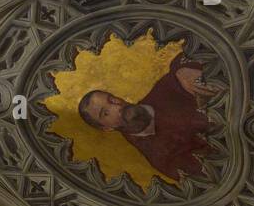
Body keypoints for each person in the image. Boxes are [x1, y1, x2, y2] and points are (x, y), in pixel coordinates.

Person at [77, 53, 218, 180]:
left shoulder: (161, 92)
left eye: (111, 99)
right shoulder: (160, 155)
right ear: (107, 128)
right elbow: (211, 173)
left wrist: (182, 70)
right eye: (105, 113)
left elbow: (191, 53)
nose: (117, 106)